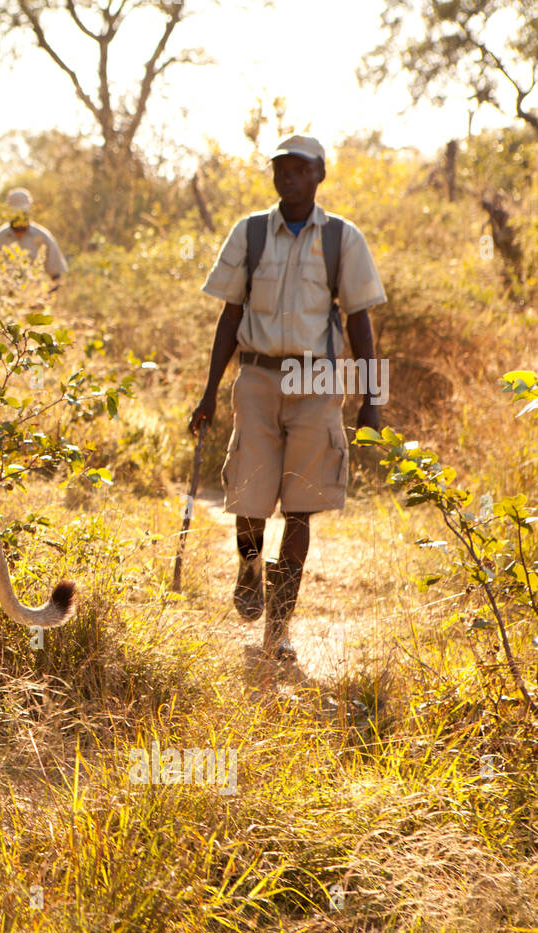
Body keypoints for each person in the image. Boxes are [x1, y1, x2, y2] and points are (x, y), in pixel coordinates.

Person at [188, 134, 387, 663]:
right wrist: (208, 393)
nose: (288, 177)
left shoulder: (344, 238)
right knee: (248, 497)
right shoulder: (251, 233)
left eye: (300, 169)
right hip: (257, 376)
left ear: (320, 174)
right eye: (281, 168)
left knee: (301, 506)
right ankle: (250, 565)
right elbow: (230, 316)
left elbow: (359, 320)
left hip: (317, 381)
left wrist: (373, 398)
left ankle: (277, 630)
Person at [0, 187, 68, 288]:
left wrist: (45, 298)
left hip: (34, 299)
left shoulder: (43, 237)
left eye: (23, 214)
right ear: (9, 212)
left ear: (29, 212)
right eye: (16, 214)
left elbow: (57, 276)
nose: (19, 218)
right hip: (5, 299)